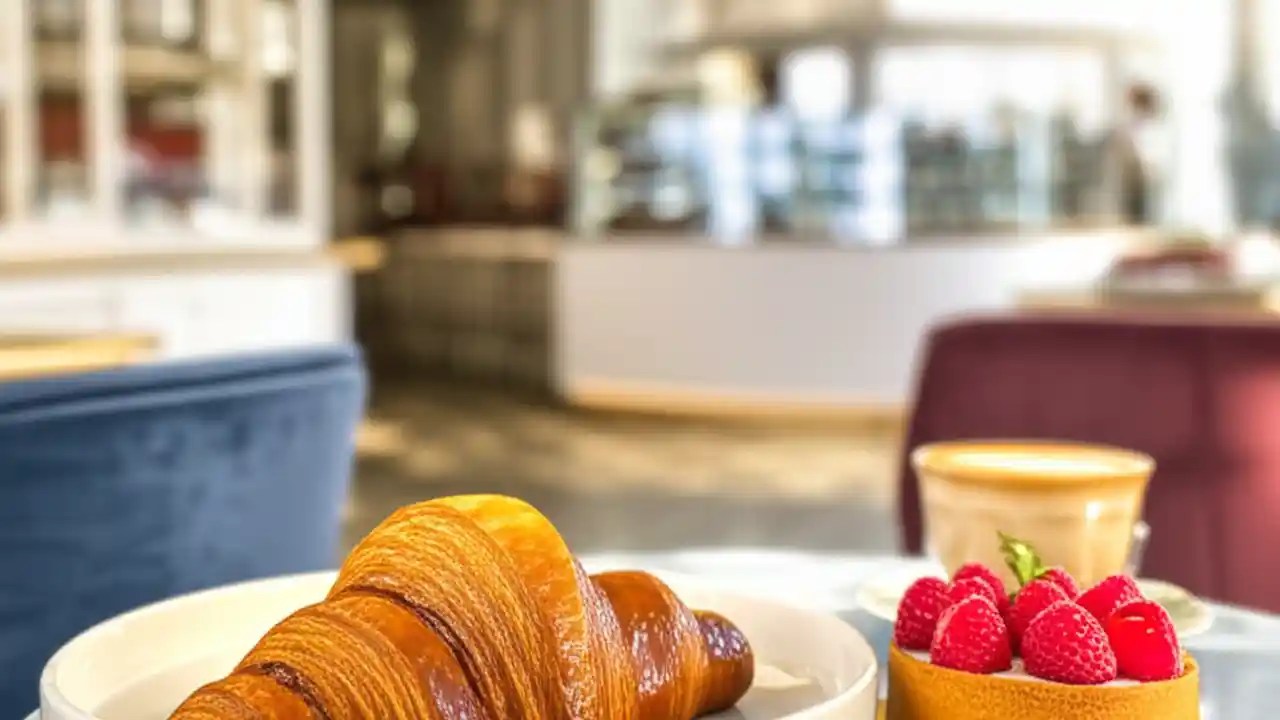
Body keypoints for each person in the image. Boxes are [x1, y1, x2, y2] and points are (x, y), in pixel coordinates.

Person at [1114, 83, 1167, 226]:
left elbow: (1147, 155)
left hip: (1145, 179)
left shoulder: (1151, 126)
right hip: (1134, 178)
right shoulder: (1133, 124)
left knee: (1147, 218)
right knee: (1135, 217)